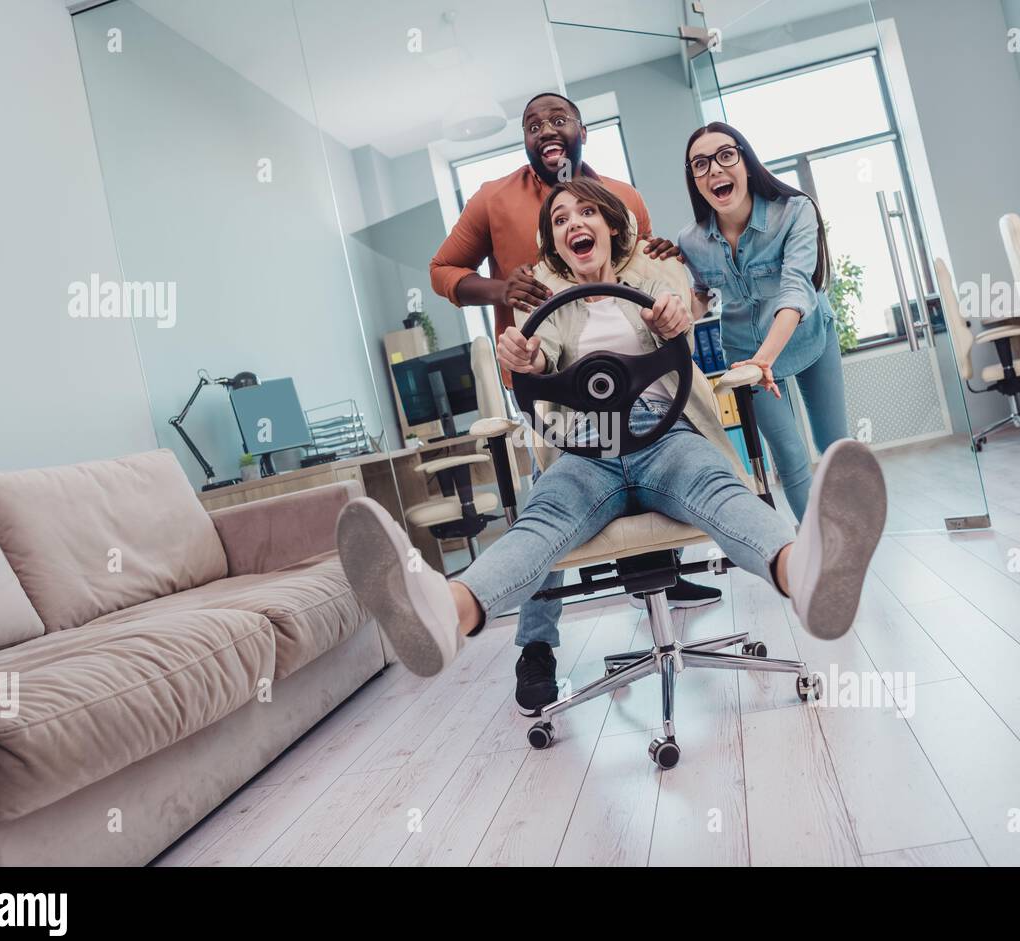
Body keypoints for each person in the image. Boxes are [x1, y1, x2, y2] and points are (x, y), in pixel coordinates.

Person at [344, 178, 887, 690]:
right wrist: (527, 358)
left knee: (721, 492)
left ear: (608, 225)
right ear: (555, 241)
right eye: (560, 219)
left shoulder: (655, 277)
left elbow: (683, 318)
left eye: (585, 212)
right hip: (589, 446)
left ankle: (807, 574)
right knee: (540, 520)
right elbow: (543, 351)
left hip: (666, 436)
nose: (573, 223)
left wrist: (672, 324)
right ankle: (445, 614)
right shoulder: (547, 300)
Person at [429, 92, 719, 716]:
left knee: (658, 450)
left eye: (558, 120)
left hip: (642, 382)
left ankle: (662, 577)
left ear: (582, 129)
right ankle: (537, 646)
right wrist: (500, 287)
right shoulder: (492, 198)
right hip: (549, 378)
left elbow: (646, 261)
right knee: (552, 505)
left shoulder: (621, 193)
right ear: (526, 141)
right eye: (532, 126)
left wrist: (666, 254)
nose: (546, 131)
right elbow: (443, 271)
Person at [678, 122, 849, 522]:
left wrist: (764, 360)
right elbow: (703, 292)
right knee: (789, 457)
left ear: (746, 161)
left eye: (725, 155)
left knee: (834, 444)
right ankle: (818, 551)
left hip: (807, 337)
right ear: (694, 179)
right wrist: (681, 312)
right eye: (700, 164)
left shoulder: (795, 211)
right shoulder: (691, 240)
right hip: (744, 355)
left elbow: (795, 290)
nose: (714, 170)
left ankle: (846, 532)